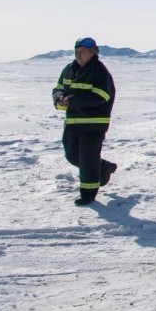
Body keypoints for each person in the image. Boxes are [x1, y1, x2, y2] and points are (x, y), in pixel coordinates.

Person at [53, 37, 117, 205]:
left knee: (88, 160)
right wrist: (58, 97)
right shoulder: (69, 69)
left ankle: (88, 195)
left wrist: (72, 100)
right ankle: (104, 168)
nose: (78, 55)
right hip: (73, 123)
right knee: (73, 156)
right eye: (76, 52)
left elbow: (101, 96)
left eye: (82, 52)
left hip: (93, 125)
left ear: (92, 53)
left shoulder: (99, 72)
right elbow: (59, 87)